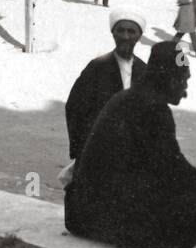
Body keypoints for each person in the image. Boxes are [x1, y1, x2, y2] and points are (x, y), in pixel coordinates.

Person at [64, 38, 196, 248]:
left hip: (80, 213)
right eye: (184, 80)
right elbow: (173, 168)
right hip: (112, 222)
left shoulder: (124, 98)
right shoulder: (154, 109)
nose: (185, 90)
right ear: (170, 81)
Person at [64, 10, 149, 163]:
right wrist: (80, 150)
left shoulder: (145, 72)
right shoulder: (96, 68)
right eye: (120, 30)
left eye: (131, 31)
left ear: (139, 36)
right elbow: (75, 108)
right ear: (113, 33)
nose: (125, 36)